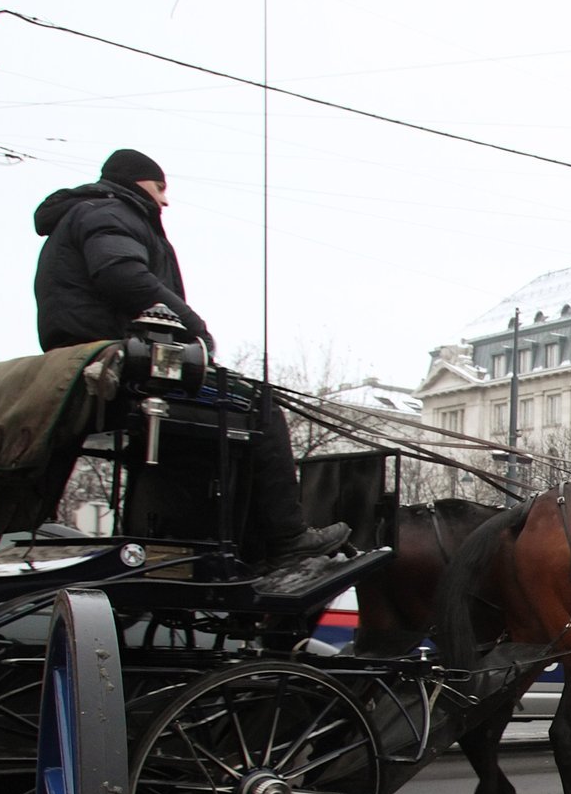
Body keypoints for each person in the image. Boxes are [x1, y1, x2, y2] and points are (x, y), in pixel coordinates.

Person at [32, 149, 348, 564]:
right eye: (161, 187)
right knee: (260, 408)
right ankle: (286, 538)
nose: (165, 201)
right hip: (125, 365)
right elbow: (121, 274)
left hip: (96, 357)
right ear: (137, 181)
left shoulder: (89, 214)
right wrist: (193, 327)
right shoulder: (111, 212)